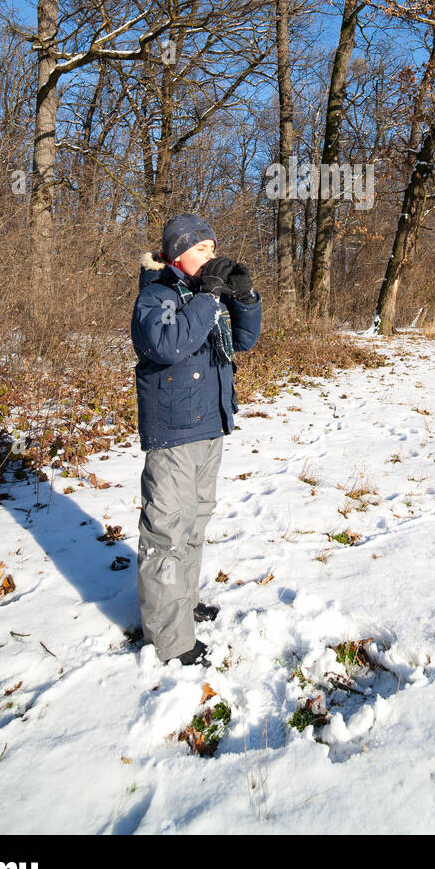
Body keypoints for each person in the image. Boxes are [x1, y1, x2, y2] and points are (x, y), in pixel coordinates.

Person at [131, 213, 261, 667]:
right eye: (203, 248)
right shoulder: (159, 294)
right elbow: (168, 344)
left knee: (194, 524)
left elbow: (243, 341)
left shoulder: (206, 296)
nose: (212, 255)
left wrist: (243, 297)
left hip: (209, 424)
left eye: (213, 248)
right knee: (167, 531)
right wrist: (208, 297)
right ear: (179, 250)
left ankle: (181, 607)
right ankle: (170, 640)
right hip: (173, 429)